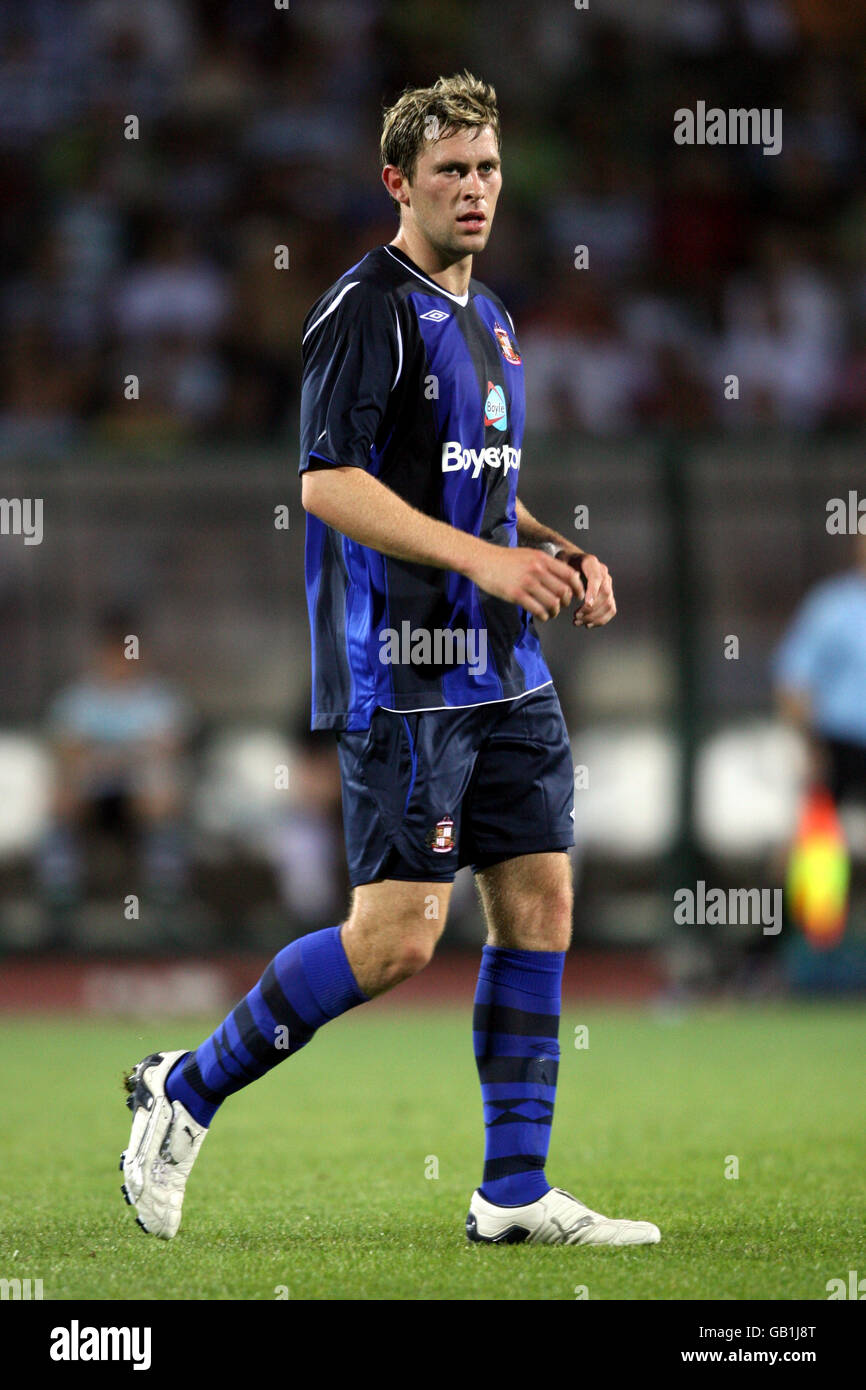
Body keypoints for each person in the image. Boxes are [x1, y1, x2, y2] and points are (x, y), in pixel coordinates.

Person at [120, 71, 660, 1249]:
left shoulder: (495, 318)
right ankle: (186, 1089)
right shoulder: (362, 308)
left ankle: (512, 1191)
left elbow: (478, 489)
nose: (472, 190)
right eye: (448, 172)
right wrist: (479, 561)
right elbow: (326, 481)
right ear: (396, 183)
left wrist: (559, 554)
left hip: (504, 664)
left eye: (486, 169)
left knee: (540, 904)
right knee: (398, 938)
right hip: (403, 671)